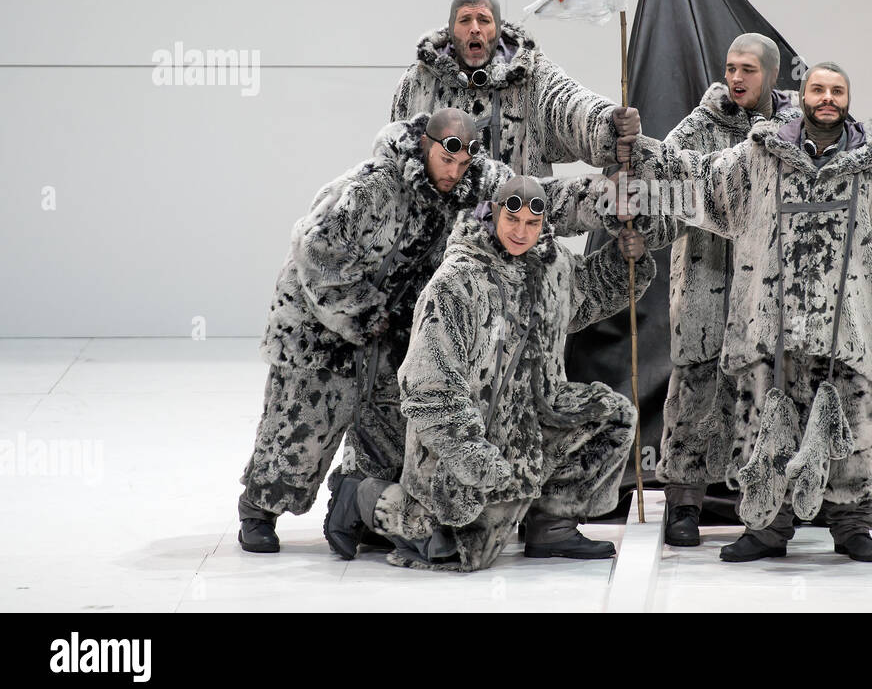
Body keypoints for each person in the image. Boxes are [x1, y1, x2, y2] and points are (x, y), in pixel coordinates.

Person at [238, 109, 615, 553]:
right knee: (300, 427)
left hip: (394, 332)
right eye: (445, 159)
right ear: (426, 145)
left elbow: (540, 199)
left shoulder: (479, 186)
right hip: (321, 327)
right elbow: (313, 247)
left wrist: (608, 199)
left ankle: (357, 507)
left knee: (387, 432)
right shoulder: (373, 185)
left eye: (463, 163)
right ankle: (258, 510)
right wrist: (363, 314)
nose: (453, 172)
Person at [617, 63, 872, 562]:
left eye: (837, 90)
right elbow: (703, 182)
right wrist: (646, 154)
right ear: (801, 96)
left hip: (848, 326)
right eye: (818, 89)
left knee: (855, 428)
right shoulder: (759, 156)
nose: (827, 98)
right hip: (769, 327)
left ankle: (852, 526)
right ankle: (766, 527)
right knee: (766, 426)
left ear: (848, 99)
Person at [325, 177, 657, 572]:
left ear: (544, 225)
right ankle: (359, 496)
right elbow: (427, 388)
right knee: (464, 552)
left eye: (532, 224)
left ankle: (552, 525)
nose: (521, 232)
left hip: (535, 424)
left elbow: (587, 294)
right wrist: (473, 457)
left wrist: (623, 260)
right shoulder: (456, 281)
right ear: (494, 213)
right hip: (465, 442)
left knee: (612, 416)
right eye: (512, 219)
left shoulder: (551, 265)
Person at [654, 34, 800, 547]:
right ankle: (684, 504)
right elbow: (662, 180)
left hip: (765, 288)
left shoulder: (792, 131)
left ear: (772, 76)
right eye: (731, 68)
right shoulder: (698, 127)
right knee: (695, 388)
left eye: (749, 70)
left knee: (764, 393)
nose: (737, 78)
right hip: (703, 278)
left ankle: (764, 510)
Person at [391, 0, 640, 175]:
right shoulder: (418, 82)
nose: (474, 28)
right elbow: (396, 158)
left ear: (499, 29)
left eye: (484, 20)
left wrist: (607, 123)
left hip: (518, 233)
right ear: (450, 29)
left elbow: (567, 102)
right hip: (440, 240)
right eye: (465, 20)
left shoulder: (531, 75)